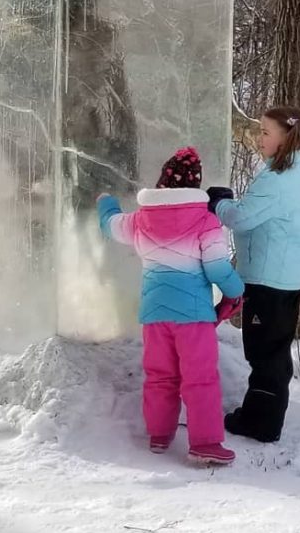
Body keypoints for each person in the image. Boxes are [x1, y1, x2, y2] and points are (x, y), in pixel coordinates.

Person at [97, 147, 244, 465]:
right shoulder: (206, 222)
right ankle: (205, 443)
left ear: (162, 184)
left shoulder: (139, 220)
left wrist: (105, 203)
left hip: (154, 315)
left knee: (160, 376)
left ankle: (160, 434)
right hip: (193, 318)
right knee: (200, 378)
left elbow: (110, 225)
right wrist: (237, 290)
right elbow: (218, 269)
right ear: (195, 187)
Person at [208, 107, 300, 443]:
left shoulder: (277, 180)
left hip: (269, 282)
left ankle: (262, 423)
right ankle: (263, 414)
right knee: (273, 352)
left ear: (285, 139)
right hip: (283, 278)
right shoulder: (289, 171)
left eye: (266, 132)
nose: (259, 137)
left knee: (263, 352)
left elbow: (241, 218)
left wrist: (219, 204)